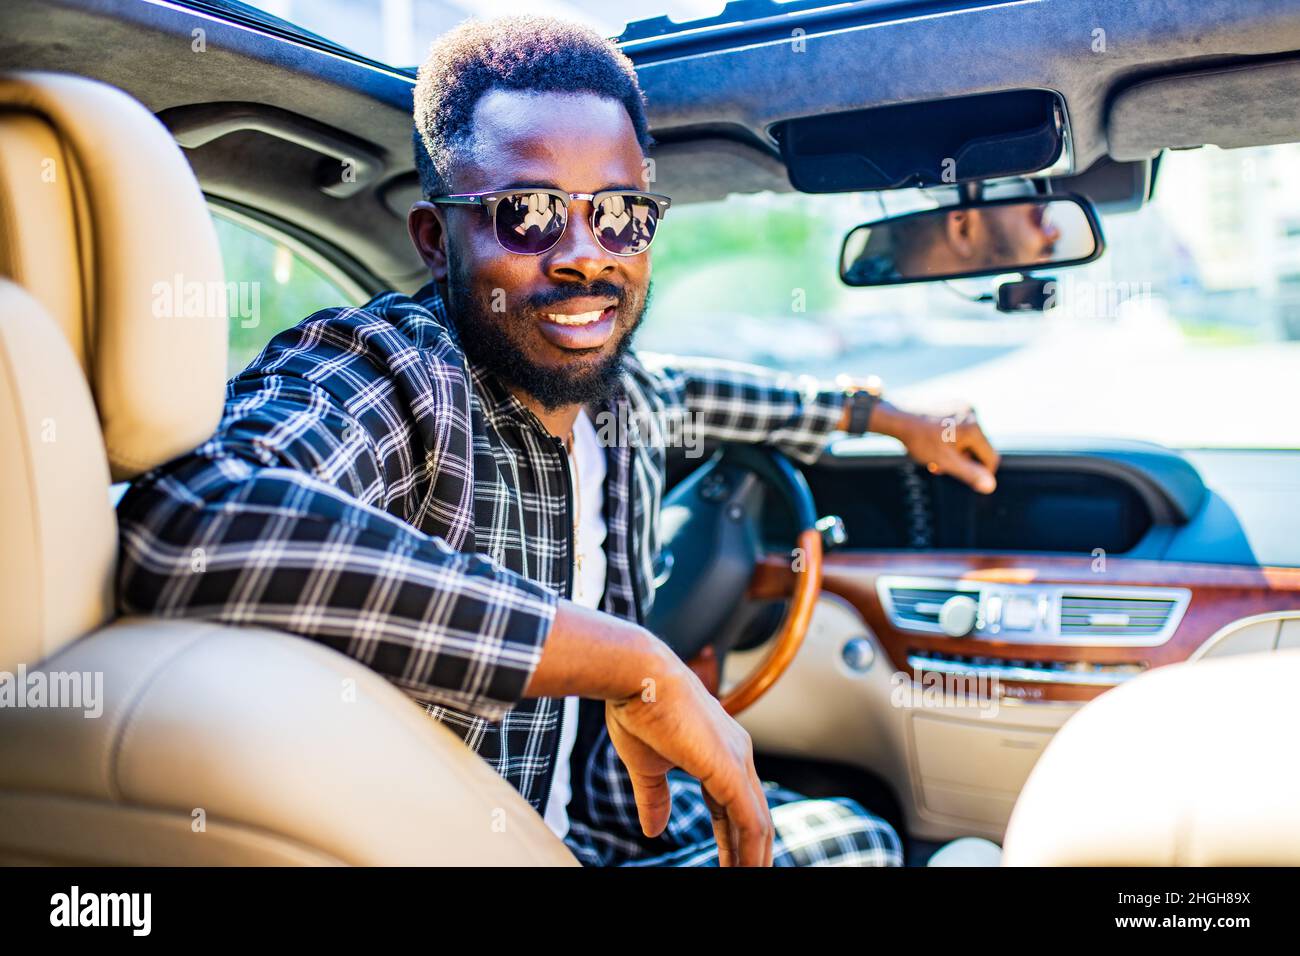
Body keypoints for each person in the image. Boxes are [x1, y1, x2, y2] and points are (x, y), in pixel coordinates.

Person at [116, 14, 1000, 866]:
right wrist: (631, 663)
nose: (586, 254)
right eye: (527, 213)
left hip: (610, 830)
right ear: (435, 239)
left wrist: (895, 419)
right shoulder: (399, 375)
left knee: (856, 830)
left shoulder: (628, 396)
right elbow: (187, 520)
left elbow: (740, 396)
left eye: (620, 213)